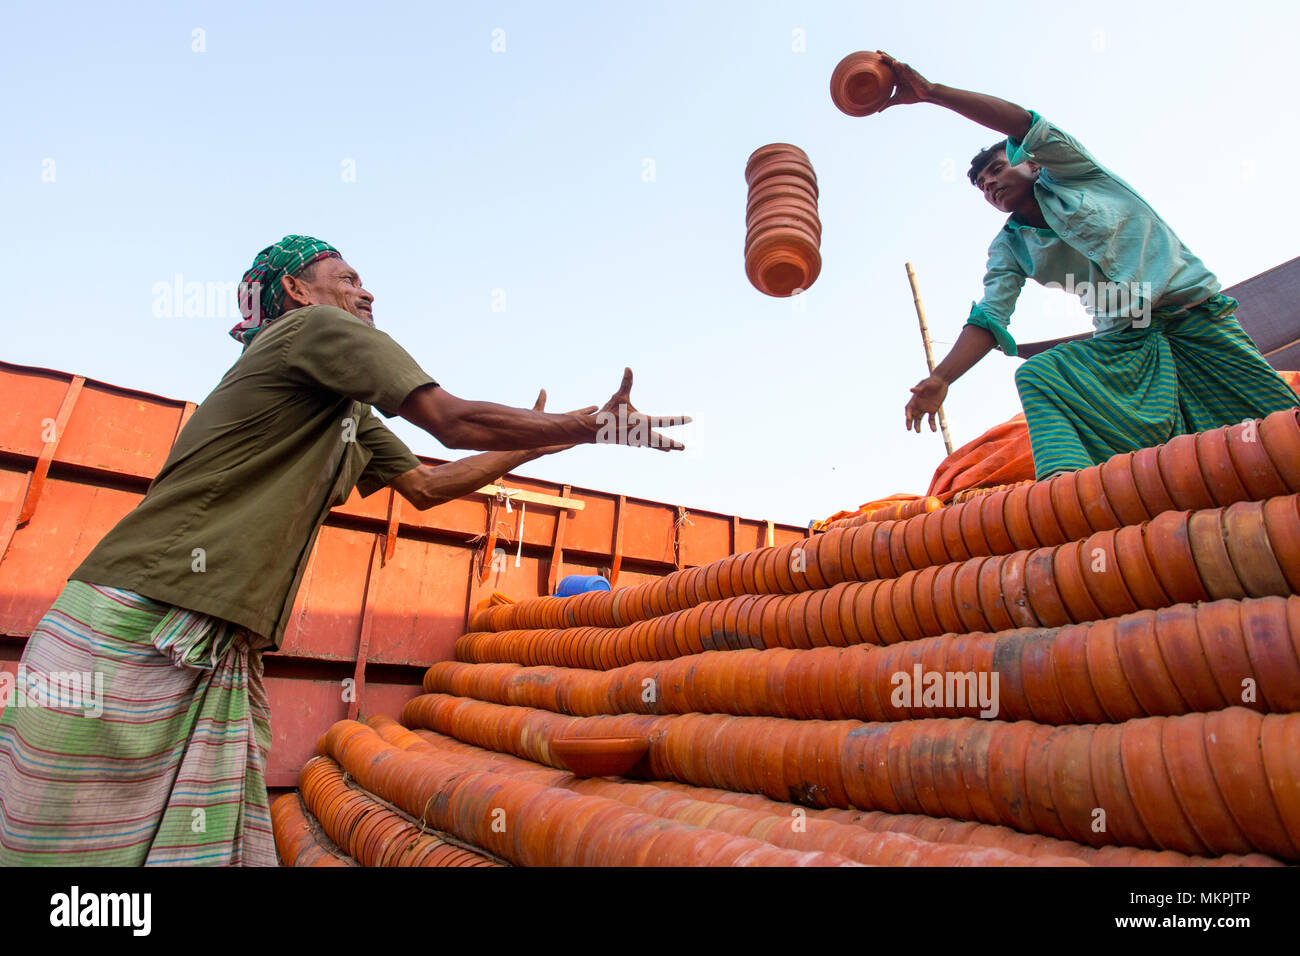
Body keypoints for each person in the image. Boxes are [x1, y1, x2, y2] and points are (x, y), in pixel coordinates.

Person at [0, 234, 688, 866]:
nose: (367, 292)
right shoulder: (312, 329)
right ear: (297, 291)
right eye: (349, 276)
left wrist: (541, 441)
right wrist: (593, 422)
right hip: (136, 623)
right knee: (66, 855)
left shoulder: (345, 413)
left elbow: (427, 484)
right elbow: (451, 421)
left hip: (203, 638)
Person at [889, 54, 1300, 478]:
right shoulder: (1010, 247)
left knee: (1279, 428)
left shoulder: (1077, 174)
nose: (990, 184)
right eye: (982, 186)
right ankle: (1068, 497)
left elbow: (1022, 122)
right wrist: (941, 379)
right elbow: (990, 317)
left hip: (1195, 321)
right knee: (1041, 377)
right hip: (1126, 349)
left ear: (1031, 163)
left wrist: (931, 93)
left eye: (997, 169)